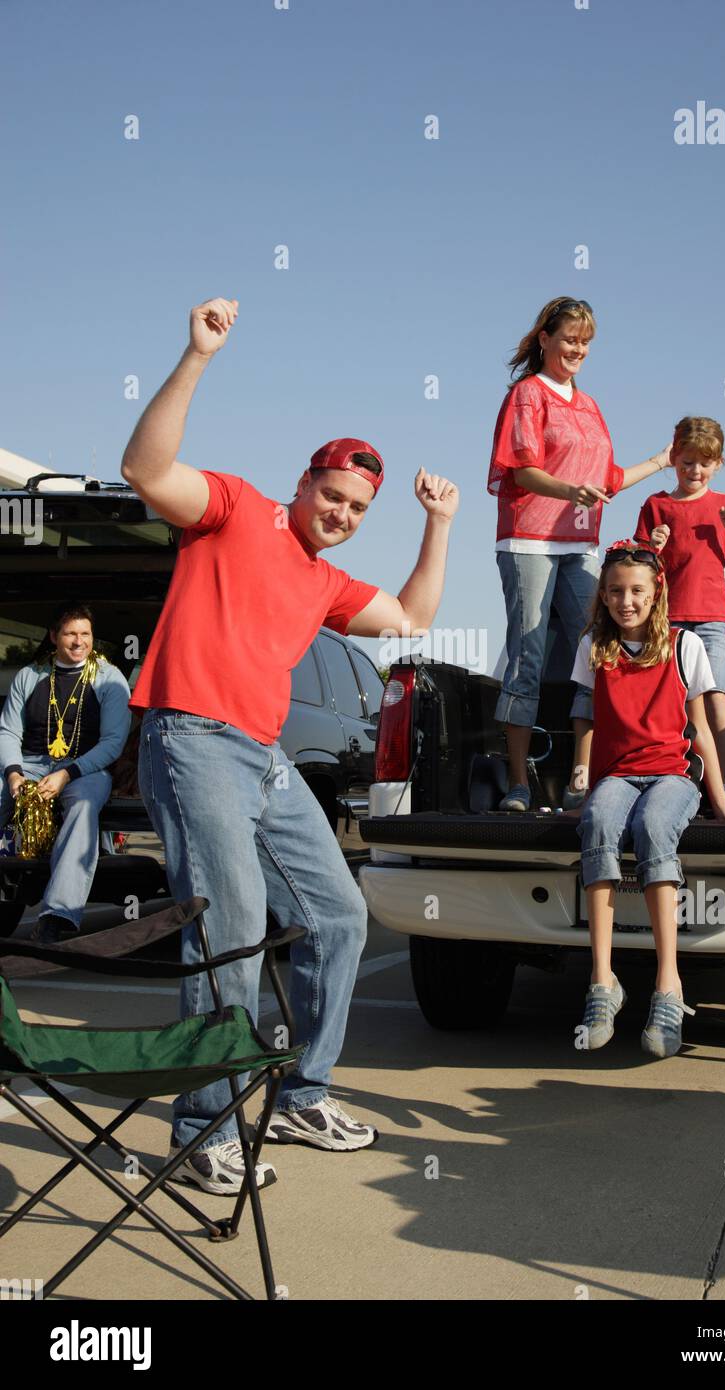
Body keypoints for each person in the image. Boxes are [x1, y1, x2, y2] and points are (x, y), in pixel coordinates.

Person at [121, 296, 459, 1196]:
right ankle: (202, 1129)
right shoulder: (234, 509)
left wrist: (439, 523)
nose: (342, 513)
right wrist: (195, 356)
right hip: (191, 738)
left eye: (357, 508)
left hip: (262, 757)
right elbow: (145, 467)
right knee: (227, 926)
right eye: (333, 495)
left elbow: (416, 618)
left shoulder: (325, 580)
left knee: (341, 917)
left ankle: (303, 1092)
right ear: (303, 481)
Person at [570, 541, 725, 1058]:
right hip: (617, 775)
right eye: (614, 591)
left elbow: (699, 730)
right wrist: (580, 781)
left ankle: (668, 986)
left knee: (655, 829)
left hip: (671, 777)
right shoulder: (594, 645)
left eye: (635, 590)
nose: (624, 601)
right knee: (599, 825)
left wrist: (721, 803)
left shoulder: (684, 646)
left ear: (656, 593)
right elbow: (584, 722)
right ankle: (603, 982)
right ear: (603, 597)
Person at [487, 296, 674, 813]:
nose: (577, 349)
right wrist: (570, 491)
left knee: (599, 647)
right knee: (527, 655)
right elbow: (520, 471)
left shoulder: (590, 406)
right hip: (529, 539)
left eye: (585, 343)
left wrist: (662, 461)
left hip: (581, 545)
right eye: (569, 338)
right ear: (545, 339)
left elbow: (608, 480)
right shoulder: (528, 394)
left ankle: (584, 773)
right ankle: (520, 783)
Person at [634, 416, 725, 804]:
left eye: (703, 463)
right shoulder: (657, 505)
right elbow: (642, 573)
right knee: (669, 711)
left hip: (714, 620)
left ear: (719, 464)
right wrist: (653, 546)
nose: (694, 471)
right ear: (673, 459)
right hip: (667, 621)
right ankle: (666, 786)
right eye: (686, 462)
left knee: (717, 702)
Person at [0, 604, 131, 942]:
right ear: (54, 637)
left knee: (83, 807)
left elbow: (113, 742)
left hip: (85, 767)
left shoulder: (108, 677)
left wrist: (68, 774)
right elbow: (8, 732)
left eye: (85, 634)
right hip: (30, 762)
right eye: (71, 633)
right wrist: (13, 774)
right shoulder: (31, 675)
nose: (78, 642)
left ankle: (58, 915)